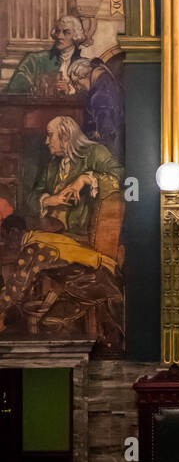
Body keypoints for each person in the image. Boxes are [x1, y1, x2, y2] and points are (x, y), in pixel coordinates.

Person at [0, 116, 123, 337]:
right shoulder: (54, 164)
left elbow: (123, 177)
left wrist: (85, 179)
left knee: (30, 250)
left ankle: (8, 310)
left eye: (50, 135)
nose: (47, 141)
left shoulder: (95, 154)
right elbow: (31, 197)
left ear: (65, 136)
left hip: (79, 237)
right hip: (53, 235)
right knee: (27, 247)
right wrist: (49, 200)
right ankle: (13, 309)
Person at [5, 12, 87, 95]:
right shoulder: (35, 60)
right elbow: (15, 89)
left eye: (66, 32)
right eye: (57, 31)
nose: (59, 36)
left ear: (76, 36)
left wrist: (71, 90)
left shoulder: (85, 64)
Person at [68, 57, 123, 161]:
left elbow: (107, 134)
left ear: (83, 76)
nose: (78, 89)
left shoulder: (99, 96)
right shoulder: (106, 79)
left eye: (76, 83)